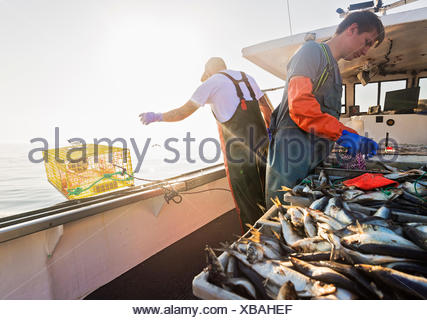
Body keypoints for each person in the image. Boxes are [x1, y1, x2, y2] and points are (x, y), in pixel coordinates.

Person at [139, 57, 273, 232]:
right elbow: (266, 107)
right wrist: (269, 131)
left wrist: (157, 116)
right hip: (264, 147)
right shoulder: (247, 77)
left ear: (209, 71)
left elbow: (182, 112)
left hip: (239, 154)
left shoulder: (212, 82)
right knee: (269, 193)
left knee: (248, 203)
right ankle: (277, 233)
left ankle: (258, 243)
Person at [266, 11, 385, 206]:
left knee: (305, 212)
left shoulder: (335, 71)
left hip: (313, 156)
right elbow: (301, 108)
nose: (366, 51)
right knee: (282, 211)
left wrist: (351, 137)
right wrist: (346, 136)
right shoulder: (311, 51)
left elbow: (324, 118)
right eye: (367, 42)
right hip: (291, 156)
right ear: (352, 29)